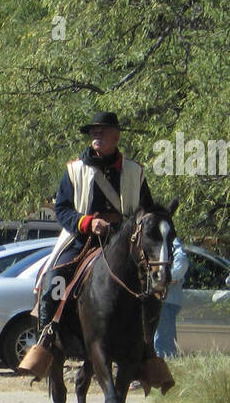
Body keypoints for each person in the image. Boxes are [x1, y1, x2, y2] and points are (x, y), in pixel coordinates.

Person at [27, 111, 167, 386]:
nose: (97, 137)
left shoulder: (135, 171)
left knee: (152, 289)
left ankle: (147, 350)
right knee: (53, 277)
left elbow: (146, 210)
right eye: (94, 133)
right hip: (82, 239)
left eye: (102, 132)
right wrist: (88, 222)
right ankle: (46, 339)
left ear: (116, 136)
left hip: (125, 241)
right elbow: (62, 210)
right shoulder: (74, 170)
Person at [155, 236, 189, 358]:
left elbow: (182, 262)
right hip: (166, 299)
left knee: (163, 338)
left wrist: (165, 280)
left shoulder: (169, 241)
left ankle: (163, 362)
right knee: (165, 335)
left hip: (167, 299)